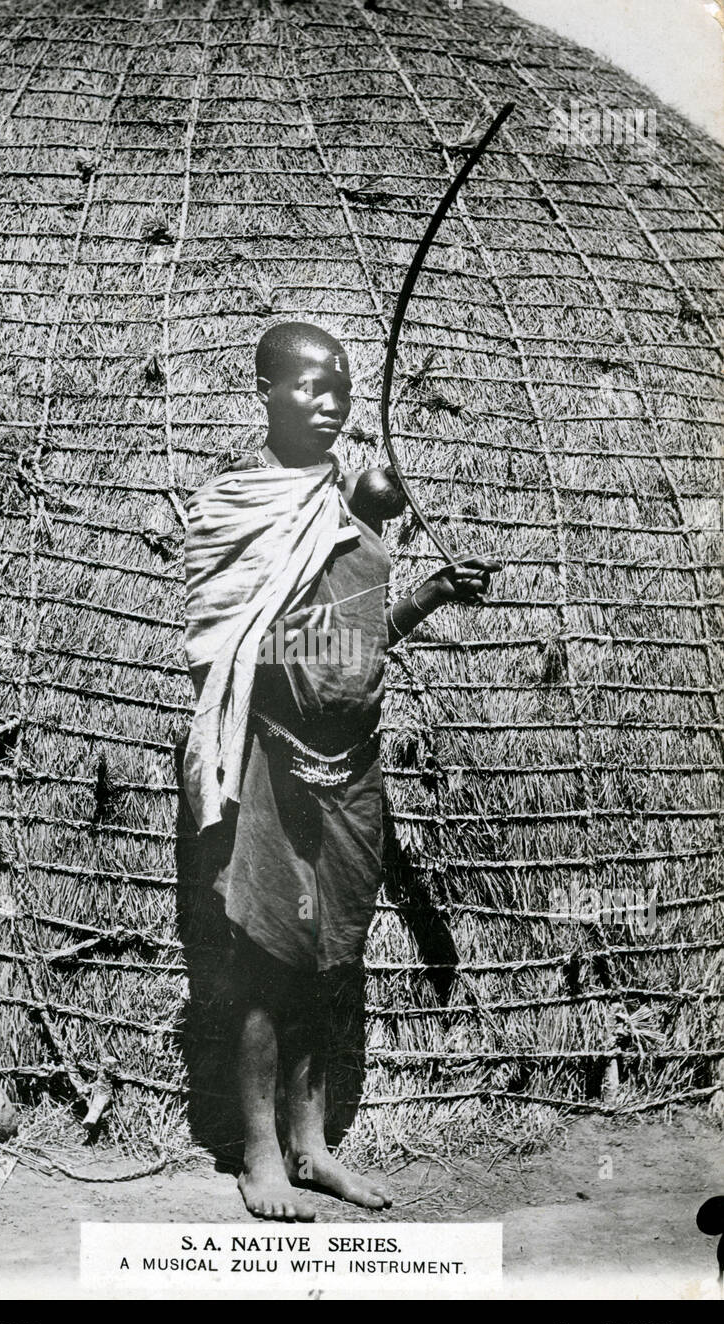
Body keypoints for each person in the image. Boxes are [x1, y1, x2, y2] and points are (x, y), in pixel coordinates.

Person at [183, 321, 500, 1221]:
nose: (329, 405)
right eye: (307, 387)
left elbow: (354, 650)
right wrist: (325, 636)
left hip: (353, 773)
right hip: (271, 772)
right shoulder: (236, 509)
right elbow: (228, 646)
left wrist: (426, 595)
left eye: (342, 389)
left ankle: (312, 1147)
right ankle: (257, 1157)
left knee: (329, 962)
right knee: (263, 960)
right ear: (264, 391)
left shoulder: (351, 514)